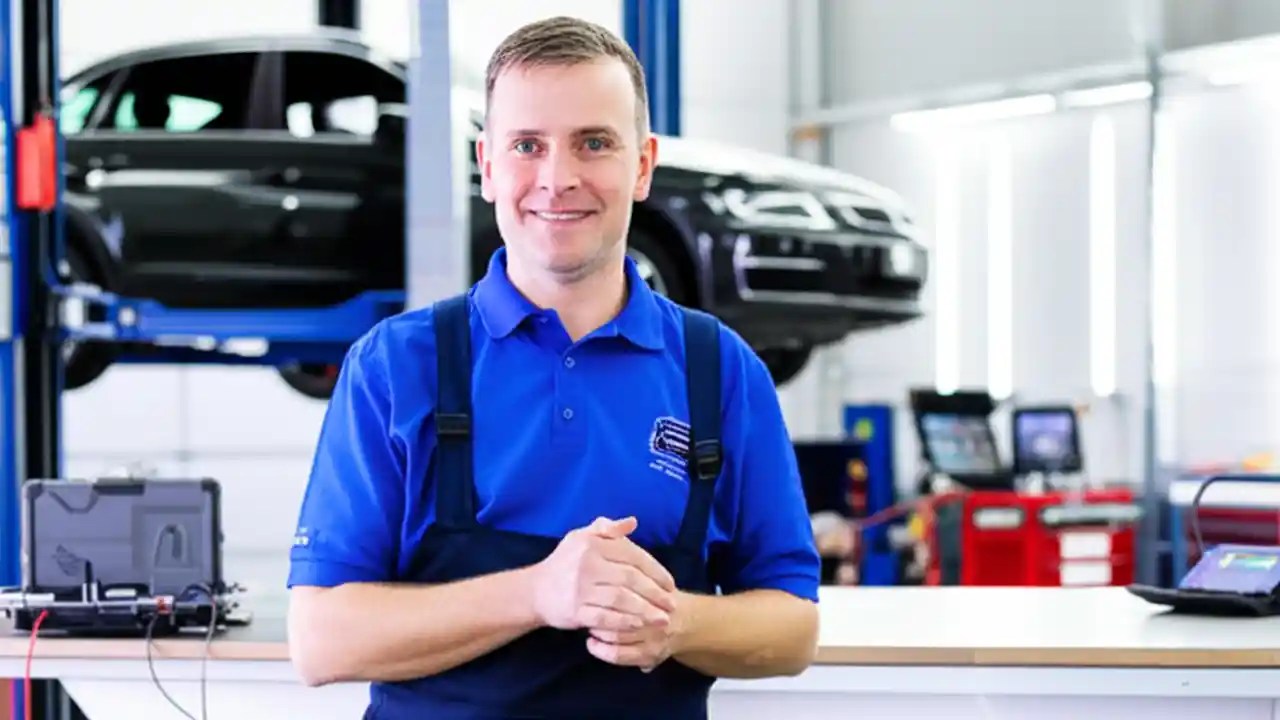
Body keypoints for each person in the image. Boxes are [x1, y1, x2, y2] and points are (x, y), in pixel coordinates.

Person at [285, 15, 821, 719]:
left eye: (593, 143)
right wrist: (540, 593)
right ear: (487, 166)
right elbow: (323, 641)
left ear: (642, 166)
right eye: (527, 145)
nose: (557, 178)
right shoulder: (393, 368)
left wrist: (673, 623)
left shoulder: (719, 371)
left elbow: (792, 627)